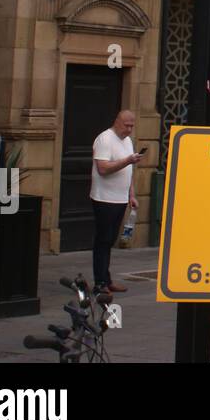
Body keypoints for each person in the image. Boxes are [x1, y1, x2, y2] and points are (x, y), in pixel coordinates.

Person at [90, 110, 143, 294]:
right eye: (126, 125)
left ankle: (107, 278)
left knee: (110, 240)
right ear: (117, 122)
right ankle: (100, 282)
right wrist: (128, 160)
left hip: (120, 198)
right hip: (104, 198)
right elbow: (103, 168)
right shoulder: (105, 139)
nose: (129, 129)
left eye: (132, 126)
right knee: (103, 240)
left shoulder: (127, 141)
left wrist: (131, 195)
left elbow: (128, 173)